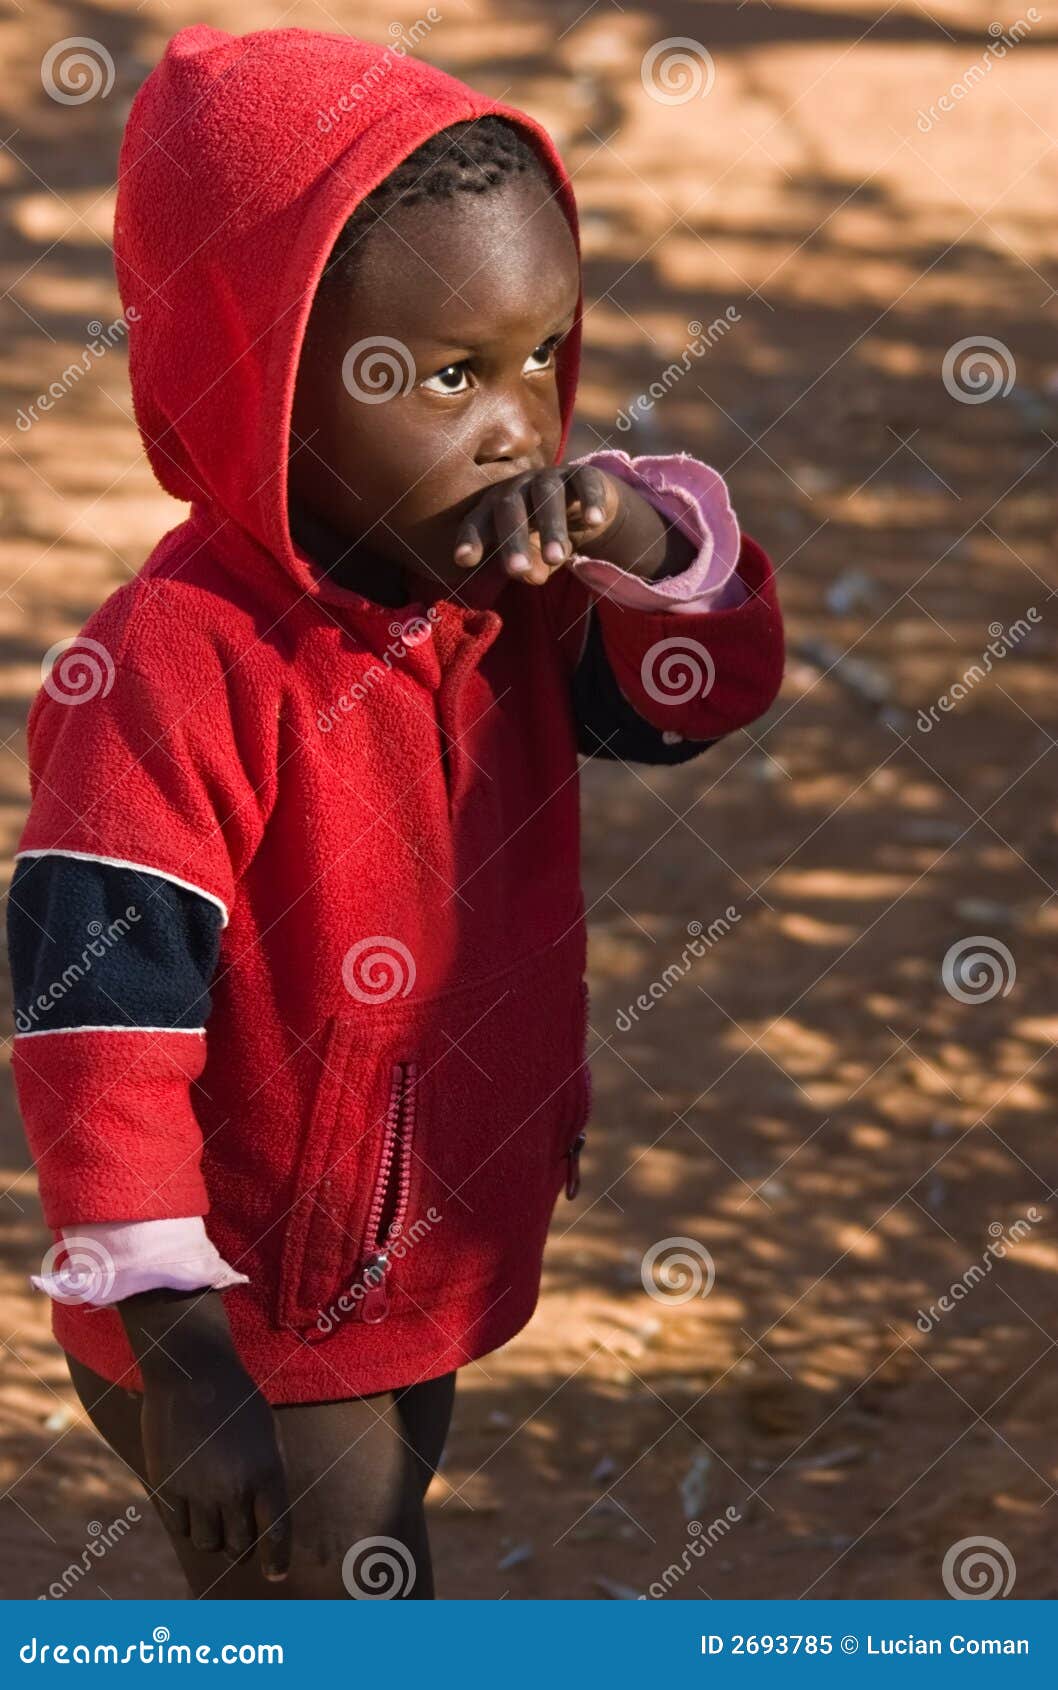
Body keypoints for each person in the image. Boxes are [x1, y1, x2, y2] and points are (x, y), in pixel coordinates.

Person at [7, 25, 784, 1600]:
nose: (515, 427)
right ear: (258, 375)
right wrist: (176, 1345)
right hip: (240, 1304)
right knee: (350, 1591)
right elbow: (99, 1026)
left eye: (537, 360)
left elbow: (693, 697)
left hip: (414, 1250)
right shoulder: (163, 673)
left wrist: (643, 537)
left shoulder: (504, 598)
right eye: (442, 377)